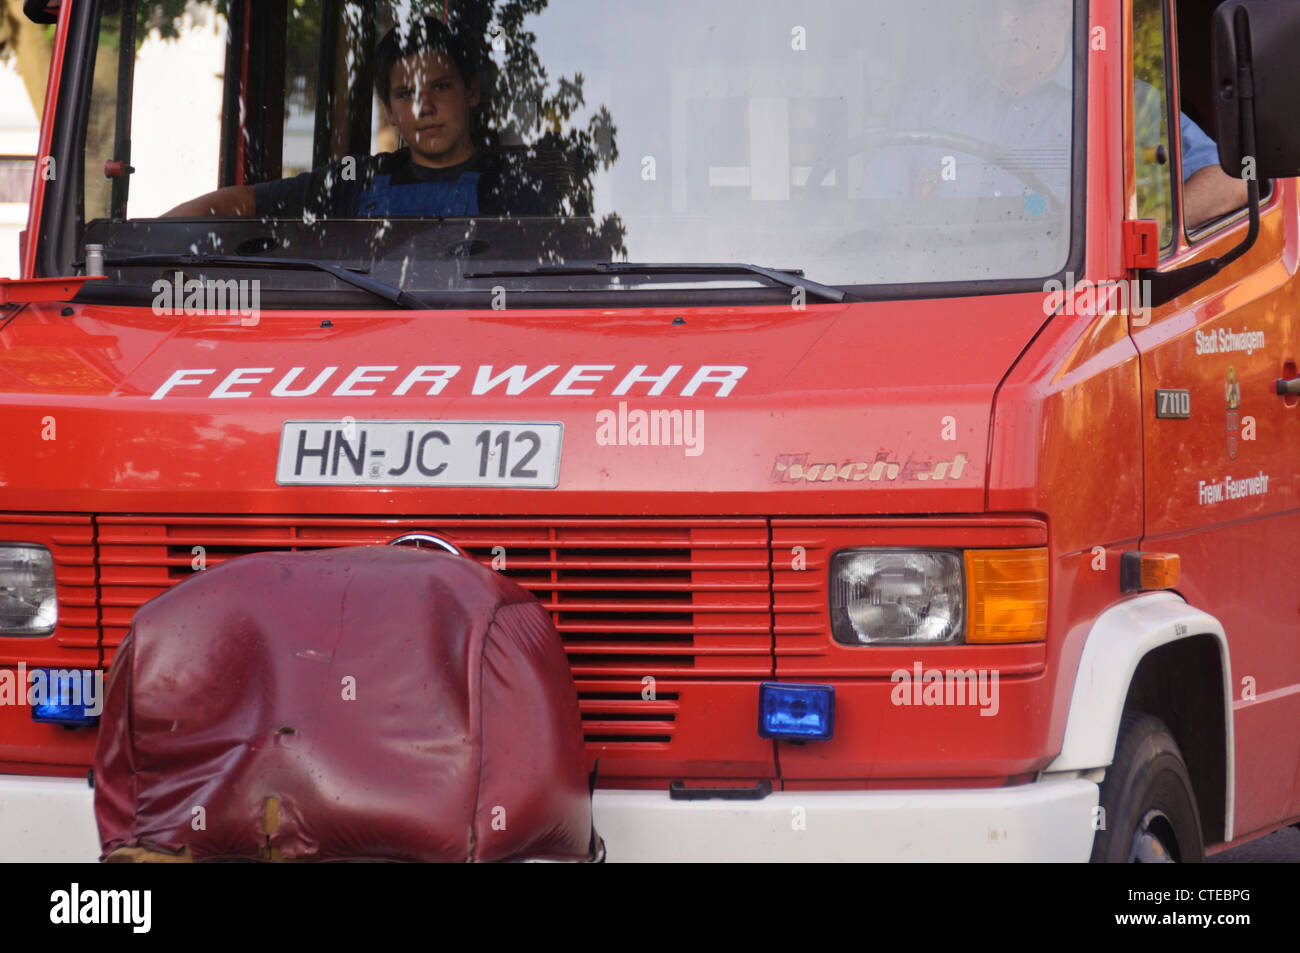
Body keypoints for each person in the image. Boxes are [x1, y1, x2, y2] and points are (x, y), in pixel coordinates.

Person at [853, 0, 1246, 229]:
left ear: (1063, 12)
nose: (1006, 23)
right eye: (992, 10)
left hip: (1070, 302)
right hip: (937, 299)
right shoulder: (929, 107)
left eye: (1024, 7)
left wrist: (1137, 236)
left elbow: (1230, 180)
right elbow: (873, 214)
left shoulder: (1124, 103)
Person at [163, 16, 553, 219]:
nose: (424, 107)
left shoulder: (522, 186)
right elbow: (245, 203)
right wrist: (147, 243)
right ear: (390, 112)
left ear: (472, 92)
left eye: (441, 87)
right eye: (405, 94)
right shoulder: (355, 181)